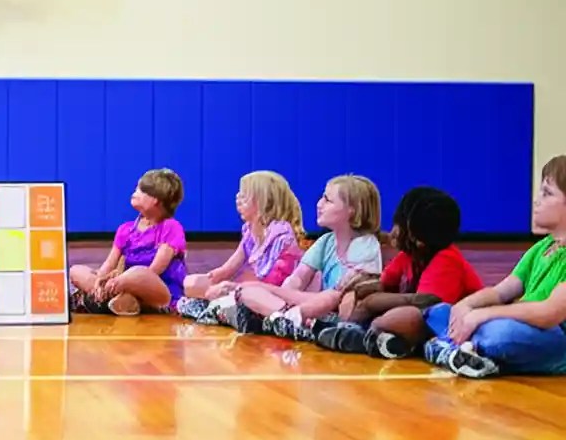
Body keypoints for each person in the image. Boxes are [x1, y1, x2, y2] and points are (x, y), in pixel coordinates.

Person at [421, 156, 566, 378]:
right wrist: (465, 305)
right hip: (521, 326)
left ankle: (455, 346)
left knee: (502, 334)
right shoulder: (541, 248)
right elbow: (501, 292)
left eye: (546, 193)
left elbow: (549, 314)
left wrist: (480, 316)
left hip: (553, 337)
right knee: (440, 313)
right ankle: (470, 351)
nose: (536, 200)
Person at [314, 186, 482, 357]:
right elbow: (383, 283)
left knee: (405, 315)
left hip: (451, 325)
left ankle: (365, 335)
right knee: (360, 295)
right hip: (421, 320)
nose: (392, 232)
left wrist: (370, 302)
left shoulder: (446, 259)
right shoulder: (408, 256)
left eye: (398, 224)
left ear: (417, 239)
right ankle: (373, 337)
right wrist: (361, 287)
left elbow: (426, 301)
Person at [233, 174, 383, 340]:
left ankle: (284, 319)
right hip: (310, 308)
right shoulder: (326, 242)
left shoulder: (365, 246)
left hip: (335, 314)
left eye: (328, 200)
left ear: (352, 210)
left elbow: (338, 301)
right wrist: (279, 294)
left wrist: (271, 290)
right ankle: (287, 320)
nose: (319, 204)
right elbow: (296, 280)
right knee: (248, 292)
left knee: (256, 292)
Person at [177, 170, 305, 326]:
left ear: (263, 201)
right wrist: (213, 279)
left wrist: (232, 288)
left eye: (244, 195)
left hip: (271, 292)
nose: (237, 198)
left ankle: (226, 308)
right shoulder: (249, 230)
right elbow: (228, 268)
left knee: (238, 296)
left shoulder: (281, 233)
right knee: (191, 282)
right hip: (246, 288)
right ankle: (222, 305)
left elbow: (273, 280)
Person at [68, 168, 188, 315]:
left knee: (139, 273)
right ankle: (112, 298)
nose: (134, 192)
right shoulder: (125, 229)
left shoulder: (171, 227)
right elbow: (109, 264)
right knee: (76, 271)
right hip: (122, 284)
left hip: (157, 290)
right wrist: (100, 280)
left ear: (155, 199)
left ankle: (120, 299)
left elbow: (155, 270)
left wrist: (122, 280)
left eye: (140, 190)